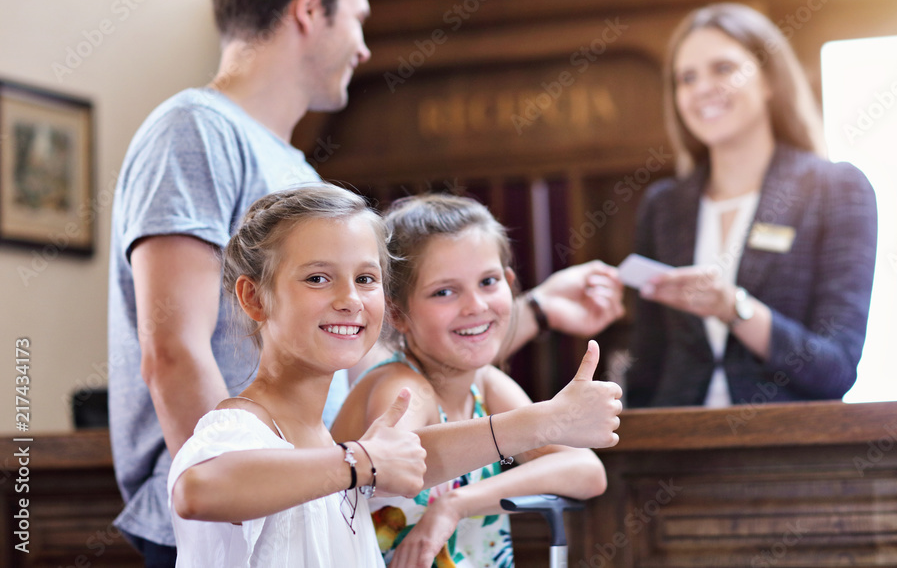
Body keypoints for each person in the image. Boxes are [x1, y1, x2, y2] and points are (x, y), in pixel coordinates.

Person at [107, 0, 624, 566]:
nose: (364, 46)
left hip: (320, 497)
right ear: (310, 8)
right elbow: (174, 351)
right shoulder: (197, 129)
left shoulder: (302, 176)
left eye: (366, 278)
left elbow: (390, 356)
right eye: (357, 16)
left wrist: (540, 314)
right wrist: (255, 507)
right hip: (248, 517)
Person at [167, 184, 623, 568]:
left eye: (366, 279)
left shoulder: (323, 446)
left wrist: (550, 422)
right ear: (254, 298)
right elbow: (198, 489)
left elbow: (411, 460)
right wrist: (360, 462)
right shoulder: (243, 429)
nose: (350, 299)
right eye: (317, 279)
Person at [333, 194, 608, 567]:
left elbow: (587, 472)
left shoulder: (487, 384)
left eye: (489, 281)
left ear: (510, 284)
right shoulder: (403, 386)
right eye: (444, 291)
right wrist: (541, 422)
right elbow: (392, 462)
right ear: (396, 312)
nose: (476, 306)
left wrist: (458, 504)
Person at [626, 2, 877, 408]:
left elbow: (837, 367)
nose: (703, 88)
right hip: (675, 449)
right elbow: (648, 362)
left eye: (723, 69)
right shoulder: (664, 206)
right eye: (686, 78)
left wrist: (735, 308)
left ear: (768, 81)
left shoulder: (836, 189)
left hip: (786, 451)